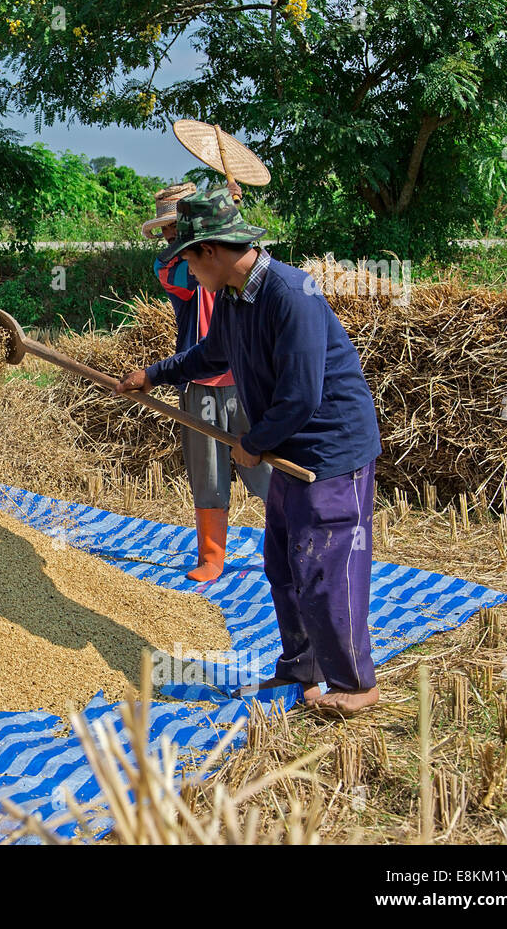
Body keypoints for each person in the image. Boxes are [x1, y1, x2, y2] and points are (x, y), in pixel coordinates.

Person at [116, 188, 383, 718]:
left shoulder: (291, 294)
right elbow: (213, 353)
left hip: (326, 452)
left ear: (210, 252)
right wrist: (155, 374)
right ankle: (301, 667)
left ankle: (355, 684)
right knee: (283, 564)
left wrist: (253, 443)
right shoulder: (238, 298)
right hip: (287, 445)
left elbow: (302, 394)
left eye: (188, 258)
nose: (187, 272)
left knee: (324, 567)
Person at [141, 182, 271, 581]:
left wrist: (227, 222)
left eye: (173, 229)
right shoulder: (175, 267)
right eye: (165, 232)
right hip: (201, 381)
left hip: (248, 377)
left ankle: (287, 542)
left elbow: (246, 259)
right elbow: (186, 269)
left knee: (267, 467)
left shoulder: (232, 258)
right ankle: (212, 556)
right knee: (208, 470)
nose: (168, 238)